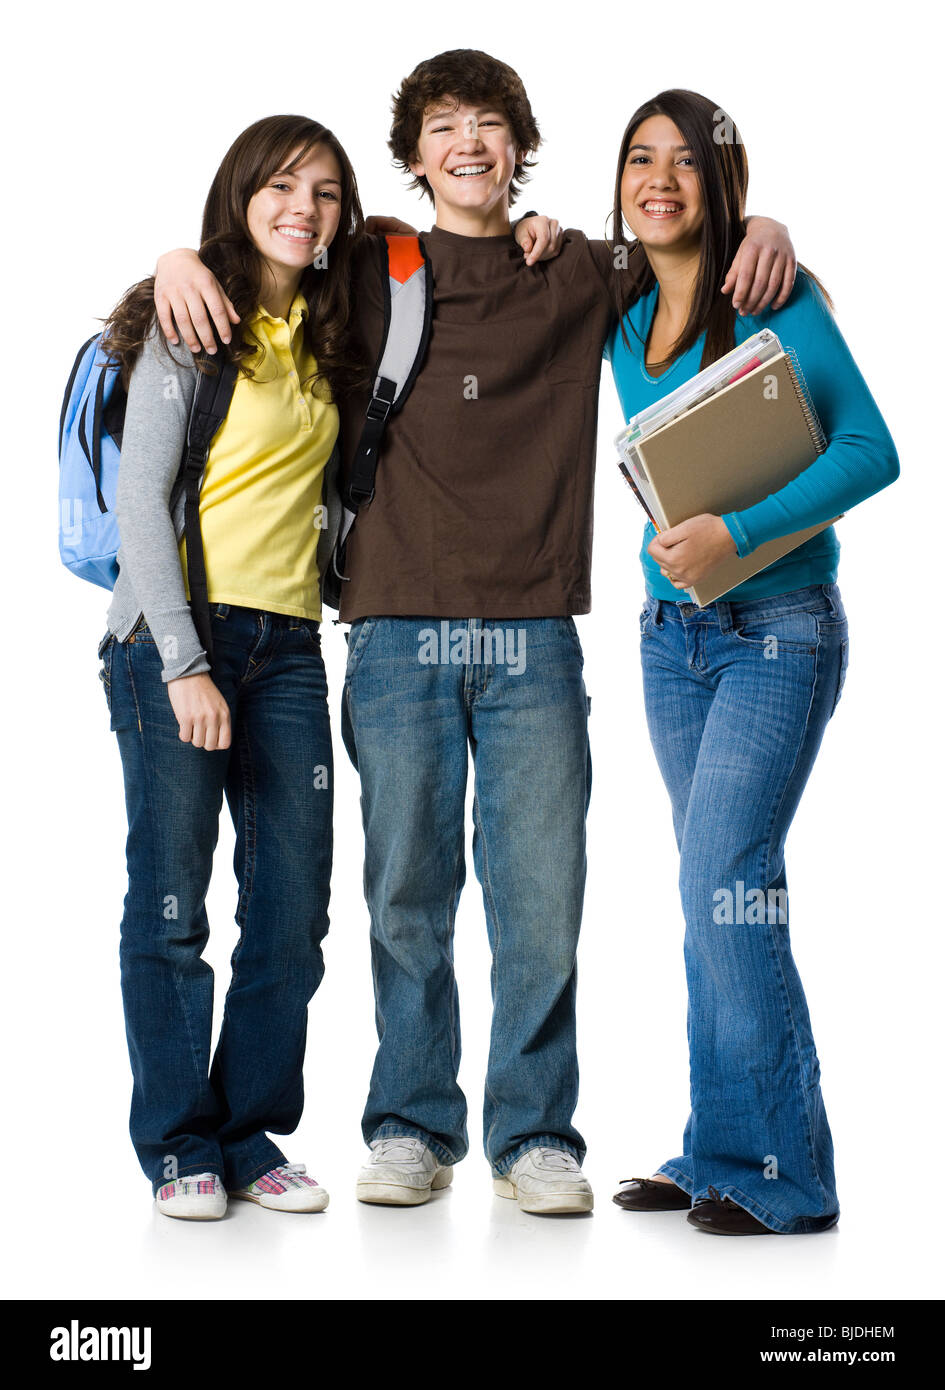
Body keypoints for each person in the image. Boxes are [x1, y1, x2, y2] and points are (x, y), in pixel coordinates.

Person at [152, 50, 797, 1215]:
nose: (468, 143)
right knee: (405, 893)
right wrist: (175, 256)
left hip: (534, 635)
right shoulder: (367, 261)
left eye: (490, 125)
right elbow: (261, 249)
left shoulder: (582, 270)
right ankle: (408, 1125)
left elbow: (688, 243)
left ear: (519, 148)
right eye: (444, 125)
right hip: (392, 626)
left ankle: (536, 1134)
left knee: (541, 894)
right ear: (413, 154)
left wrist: (774, 225)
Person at [605, 89, 899, 1234]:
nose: (659, 178)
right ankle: (719, 1148)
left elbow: (873, 451)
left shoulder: (770, 293)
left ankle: (796, 1171)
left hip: (779, 633)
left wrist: (739, 534)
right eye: (639, 159)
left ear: (724, 184)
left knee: (730, 883)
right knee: (706, 894)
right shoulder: (624, 310)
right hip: (672, 640)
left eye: (686, 162)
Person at [96, 114, 366, 1219]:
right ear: (243, 193)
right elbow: (140, 505)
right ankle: (176, 1141)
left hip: (291, 646)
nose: (305, 207)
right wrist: (183, 663)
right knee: (171, 902)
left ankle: (248, 1129)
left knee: (293, 903)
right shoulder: (192, 316)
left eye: (328, 193)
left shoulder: (333, 330)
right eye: (283, 186)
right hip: (177, 637)